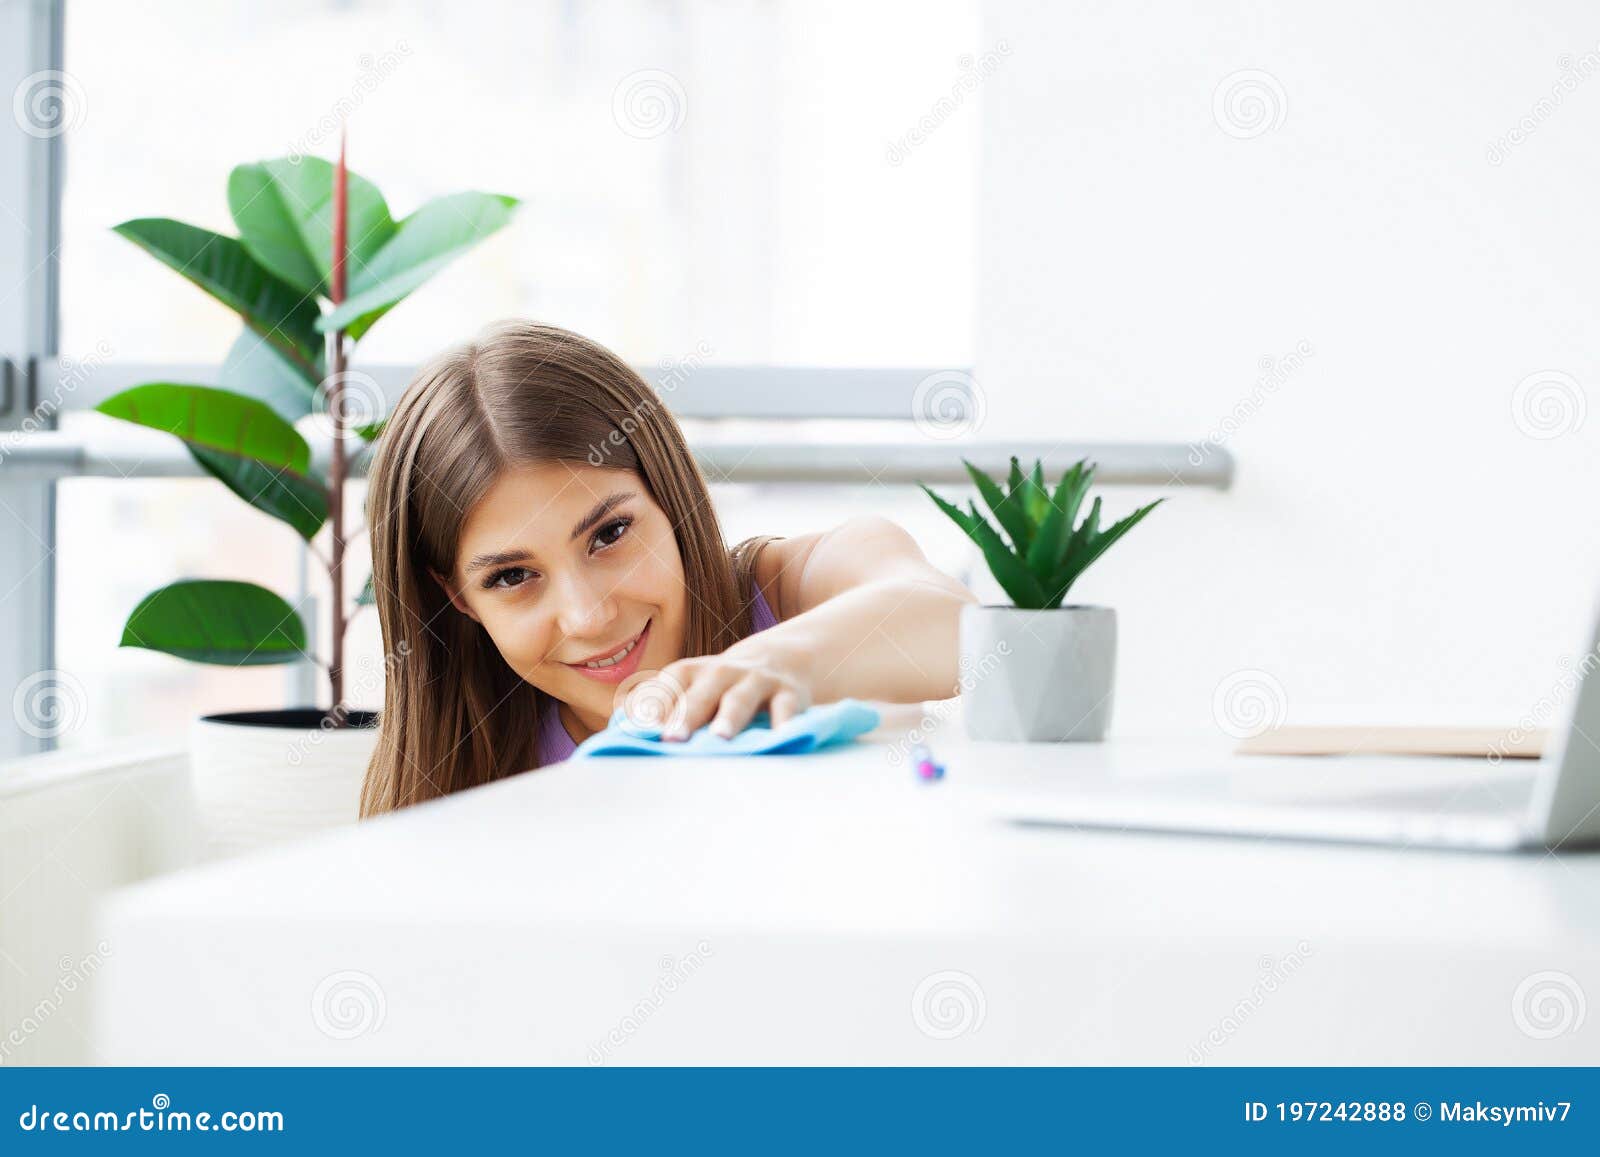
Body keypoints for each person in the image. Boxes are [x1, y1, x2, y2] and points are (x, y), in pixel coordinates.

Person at [360, 320, 974, 815]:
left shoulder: (789, 591)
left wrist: (763, 668)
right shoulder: (480, 772)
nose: (590, 615)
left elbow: (952, 624)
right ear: (458, 598)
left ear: (669, 496)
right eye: (512, 577)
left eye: (610, 534)